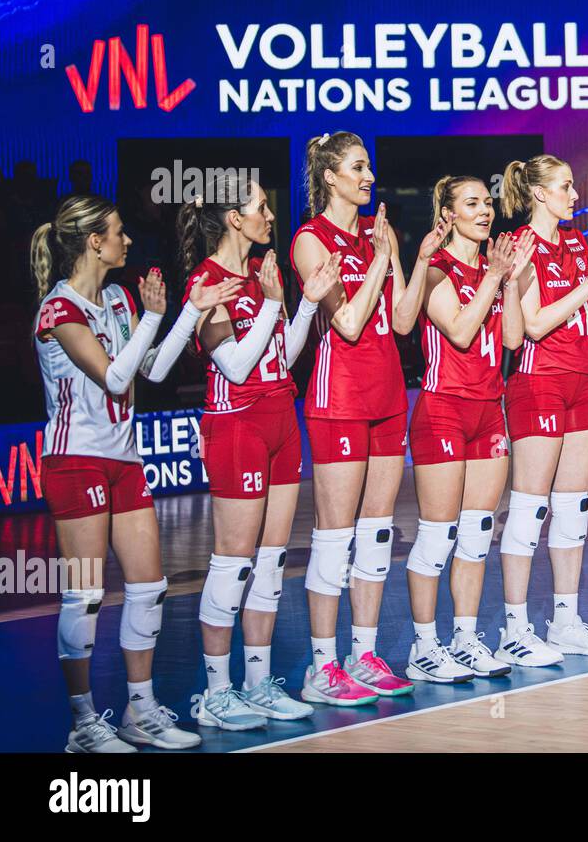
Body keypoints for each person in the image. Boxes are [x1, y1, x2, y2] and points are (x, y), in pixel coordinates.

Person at [32, 193, 241, 751]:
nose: (128, 240)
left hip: (124, 459)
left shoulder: (121, 300)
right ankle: (82, 724)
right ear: (94, 242)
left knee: (149, 586)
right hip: (74, 459)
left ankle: (140, 710)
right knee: (86, 596)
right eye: (119, 233)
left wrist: (189, 311)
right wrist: (154, 317)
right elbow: (114, 379)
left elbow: (151, 368)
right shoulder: (58, 310)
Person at [180, 178, 341, 729]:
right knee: (234, 561)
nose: (269, 215)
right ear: (232, 218)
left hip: (280, 418)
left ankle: (257, 682)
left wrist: (302, 307)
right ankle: (216, 693)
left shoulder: (259, 277)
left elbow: (281, 354)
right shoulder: (208, 280)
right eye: (260, 207)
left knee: (271, 563)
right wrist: (276, 304)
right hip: (237, 425)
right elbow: (235, 367)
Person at [290, 131, 431, 705]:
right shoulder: (309, 240)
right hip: (340, 398)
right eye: (357, 166)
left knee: (376, 534)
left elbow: (400, 322)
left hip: (387, 393)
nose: (368, 176)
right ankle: (322, 668)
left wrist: (407, 257)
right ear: (329, 176)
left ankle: (364, 655)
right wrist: (377, 259)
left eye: (369, 166)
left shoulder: (378, 233)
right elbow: (346, 323)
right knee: (334, 536)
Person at [498, 153, 588, 664]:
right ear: (538, 193)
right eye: (565, 186)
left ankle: (565, 620)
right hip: (538, 383)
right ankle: (515, 627)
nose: (575, 196)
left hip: (582, 380)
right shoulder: (522, 246)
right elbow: (531, 326)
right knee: (530, 509)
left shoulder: (576, 242)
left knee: (574, 507)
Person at [404, 176, 533, 681]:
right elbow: (458, 331)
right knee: (438, 536)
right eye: (472, 204)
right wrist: (492, 279)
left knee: (477, 535)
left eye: (487, 202)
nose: (485, 211)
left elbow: (515, 337)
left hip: (488, 411)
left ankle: (464, 638)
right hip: (443, 411)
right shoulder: (437, 271)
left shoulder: (492, 270)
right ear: (448, 214)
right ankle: (422, 646)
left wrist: (512, 280)